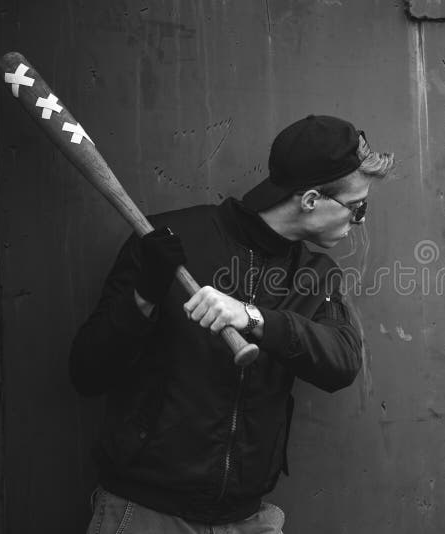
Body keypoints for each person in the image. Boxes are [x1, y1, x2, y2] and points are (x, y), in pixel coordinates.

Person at [70, 115, 394, 533]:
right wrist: (144, 296)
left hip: (246, 520)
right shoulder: (166, 242)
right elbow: (87, 372)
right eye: (358, 206)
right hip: (145, 514)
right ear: (311, 199)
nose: (361, 220)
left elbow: (342, 360)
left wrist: (254, 318)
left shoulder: (317, 274)